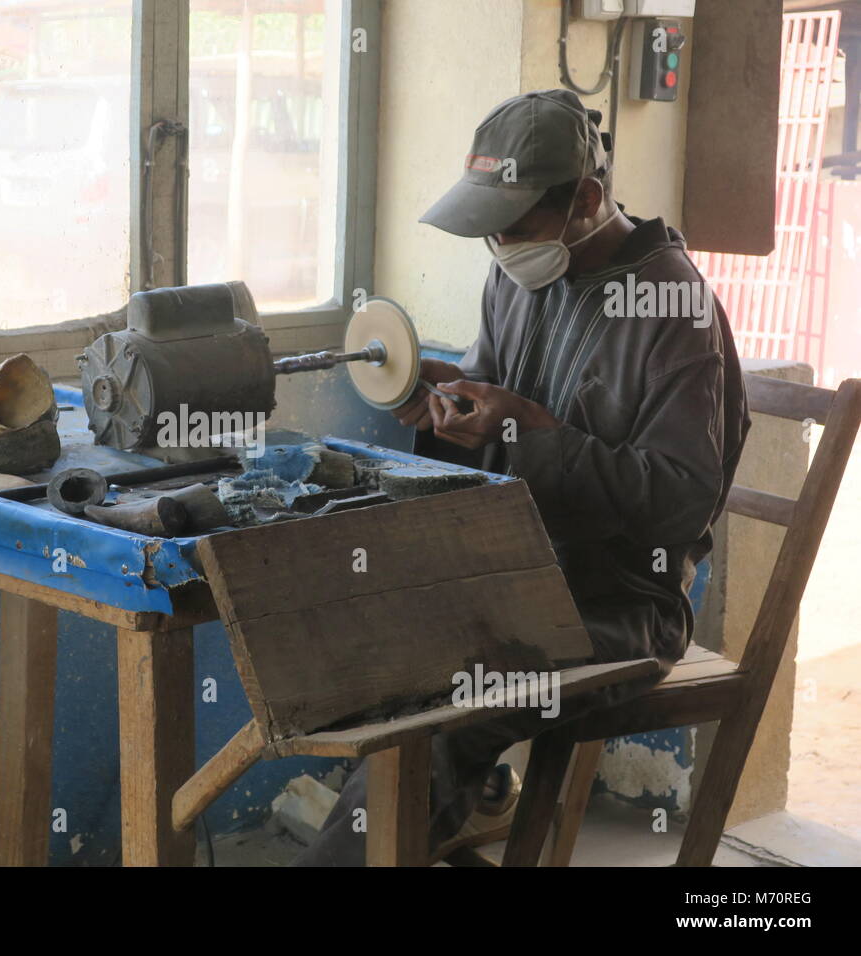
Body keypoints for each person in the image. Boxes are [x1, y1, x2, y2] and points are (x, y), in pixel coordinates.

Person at [293, 89, 751, 866]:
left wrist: (532, 433)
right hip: (512, 572)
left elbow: (678, 504)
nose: (501, 245)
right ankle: (445, 807)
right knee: (352, 630)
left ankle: (409, 818)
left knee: (448, 701)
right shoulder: (515, 276)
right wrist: (445, 409)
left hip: (620, 603)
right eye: (489, 228)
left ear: (588, 199)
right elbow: (491, 408)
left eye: (516, 224)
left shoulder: (678, 312)